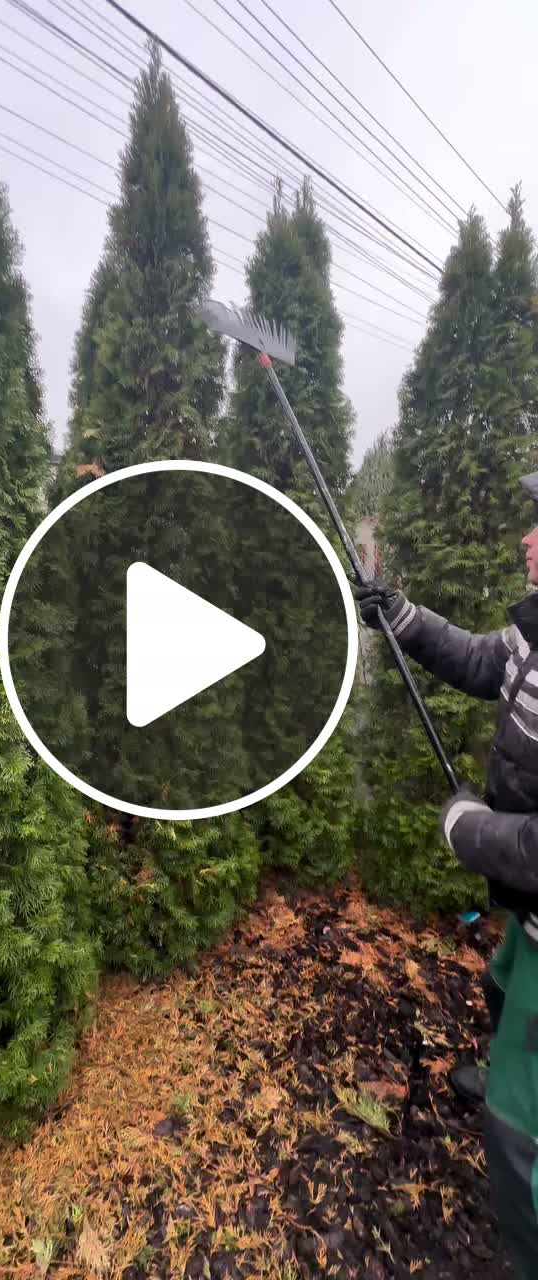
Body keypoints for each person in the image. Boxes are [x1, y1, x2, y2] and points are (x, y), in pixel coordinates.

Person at [355, 471, 538, 1280]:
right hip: (529, 916)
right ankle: (505, 1068)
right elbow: (478, 659)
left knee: (517, 1138)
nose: (528, 540)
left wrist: (473, 833)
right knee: (502, 984)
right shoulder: (536, 639)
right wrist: (405, 619)